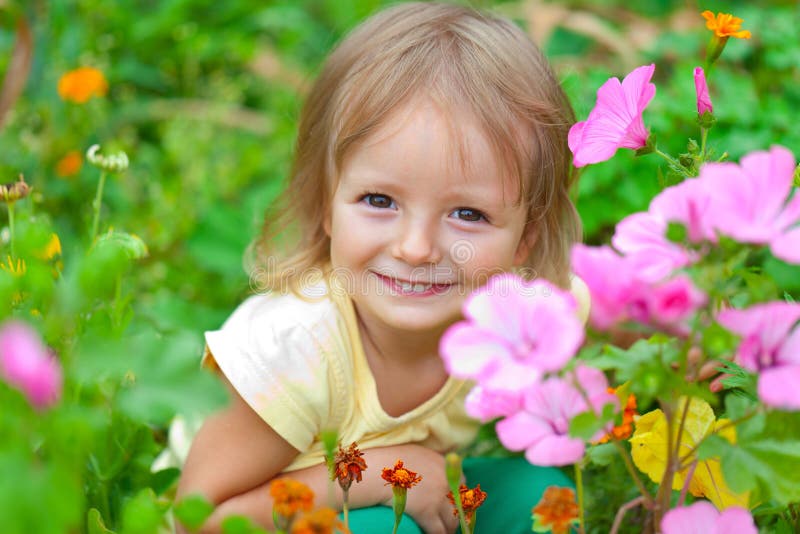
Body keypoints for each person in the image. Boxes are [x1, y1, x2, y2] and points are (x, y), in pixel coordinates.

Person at [176, 2, 589, 533]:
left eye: (468, 214)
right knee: (381, 528)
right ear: (325, 204)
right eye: (379, 201)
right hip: (263, 510)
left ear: (525, 238)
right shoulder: (294, 350)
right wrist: (380, 474)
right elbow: (196, 519)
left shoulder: (528, 317)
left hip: (413, 483)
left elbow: (619, 318)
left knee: (541, 498)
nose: (416, 249)